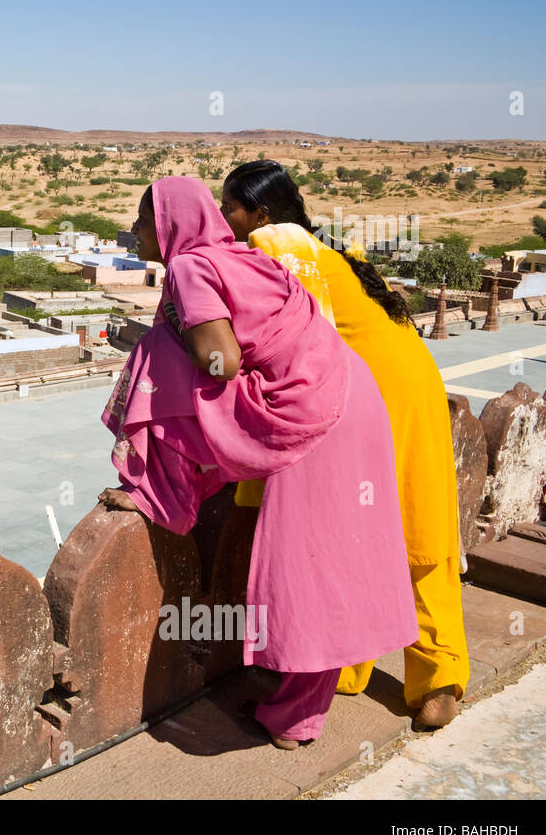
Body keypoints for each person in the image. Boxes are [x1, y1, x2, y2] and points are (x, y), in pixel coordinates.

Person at [100, 176, 417, 748]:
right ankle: (296, 711)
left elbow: (218, 360)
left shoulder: (192, 267)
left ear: (168, 225)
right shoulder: (241, 256)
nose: (135, 232)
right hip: (353, 394)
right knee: (331, 562)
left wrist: (178, 351)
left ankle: (164, 493)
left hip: (312, 413)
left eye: (142, 221)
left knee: (304, 568)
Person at [219, 159, 468, 728]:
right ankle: (382, 670)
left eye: (230, 207)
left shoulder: (277, 247)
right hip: (395, 386)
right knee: (381, 524)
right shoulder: (318, 246)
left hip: (381, 395)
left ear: (260, 213)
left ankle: (415, 674)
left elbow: (279, 348)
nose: (223, 218)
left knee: (398, 531)